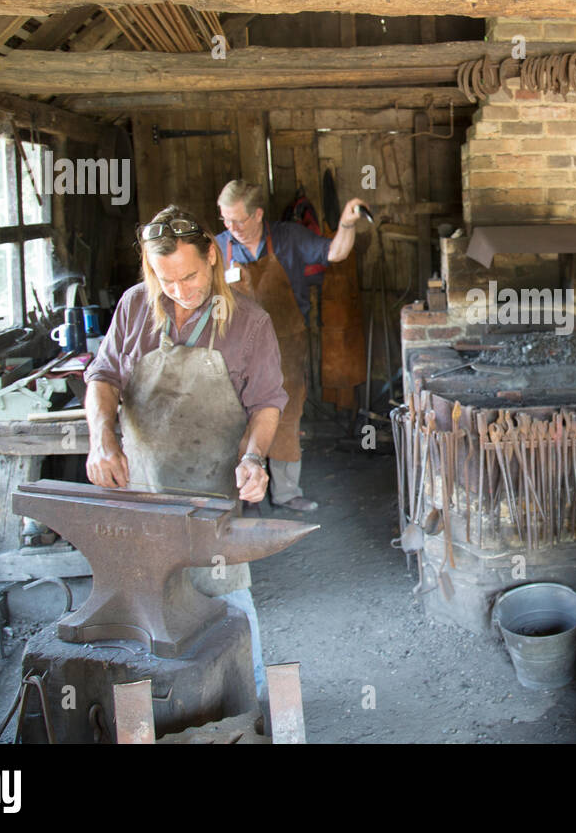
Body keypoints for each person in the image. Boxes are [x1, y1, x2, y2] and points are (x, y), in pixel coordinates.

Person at [84, 205, 286, 696]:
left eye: (190, 276)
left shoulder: (250, 324)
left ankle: (251, 701)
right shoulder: (135, 306)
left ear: (212, 257)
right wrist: (101, 439)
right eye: (165, 279)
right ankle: (156, 708)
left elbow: (266, 405)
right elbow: (103, 377)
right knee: (144, 615)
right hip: (142, 494)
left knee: (229, 607)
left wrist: (254, 459)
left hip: (210, 500)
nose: (180, 291)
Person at [214, 179, 368, 511]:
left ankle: (285, 492)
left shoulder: (288, 238)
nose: (231, 227)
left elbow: (336, 252)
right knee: (236, 417)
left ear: (257, 215)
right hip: (236, 350)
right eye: (225, 220)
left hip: (285, 345)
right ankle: (242, 495)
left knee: (286, 414)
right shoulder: (217, 249)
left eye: (238, 220)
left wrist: (345, 224)